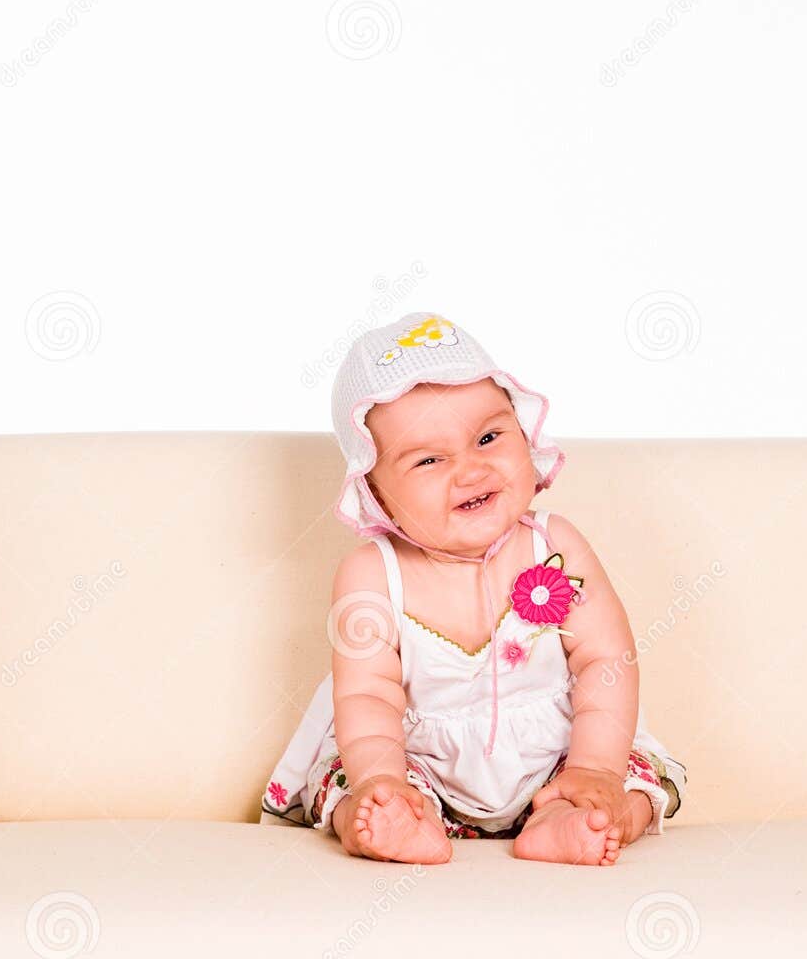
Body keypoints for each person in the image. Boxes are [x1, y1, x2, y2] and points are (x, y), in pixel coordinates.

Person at [261, 312, 687, 865]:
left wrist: (593, 769)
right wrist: (383, 780)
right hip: (421, 768)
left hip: (562, 757)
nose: (470, 469)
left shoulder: (554, 545)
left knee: (634, 782)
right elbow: (368, 696)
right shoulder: (371, 575)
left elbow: (605, 660)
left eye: (488, 437)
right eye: (429, 460)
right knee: (347, 783)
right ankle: (396, 822)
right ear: (377, 495)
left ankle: (573, 818)